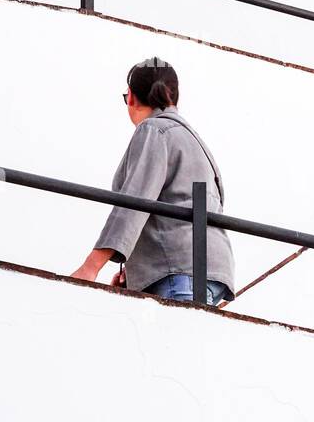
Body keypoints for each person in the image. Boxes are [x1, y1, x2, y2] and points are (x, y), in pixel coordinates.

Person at [71, 57, 235, 305]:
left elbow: (135, 202)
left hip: (179, 273)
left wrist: (90, 267)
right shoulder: (192, 140)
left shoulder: (153, 131)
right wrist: (137, 275)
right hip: (207, 272)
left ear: (132, 98)